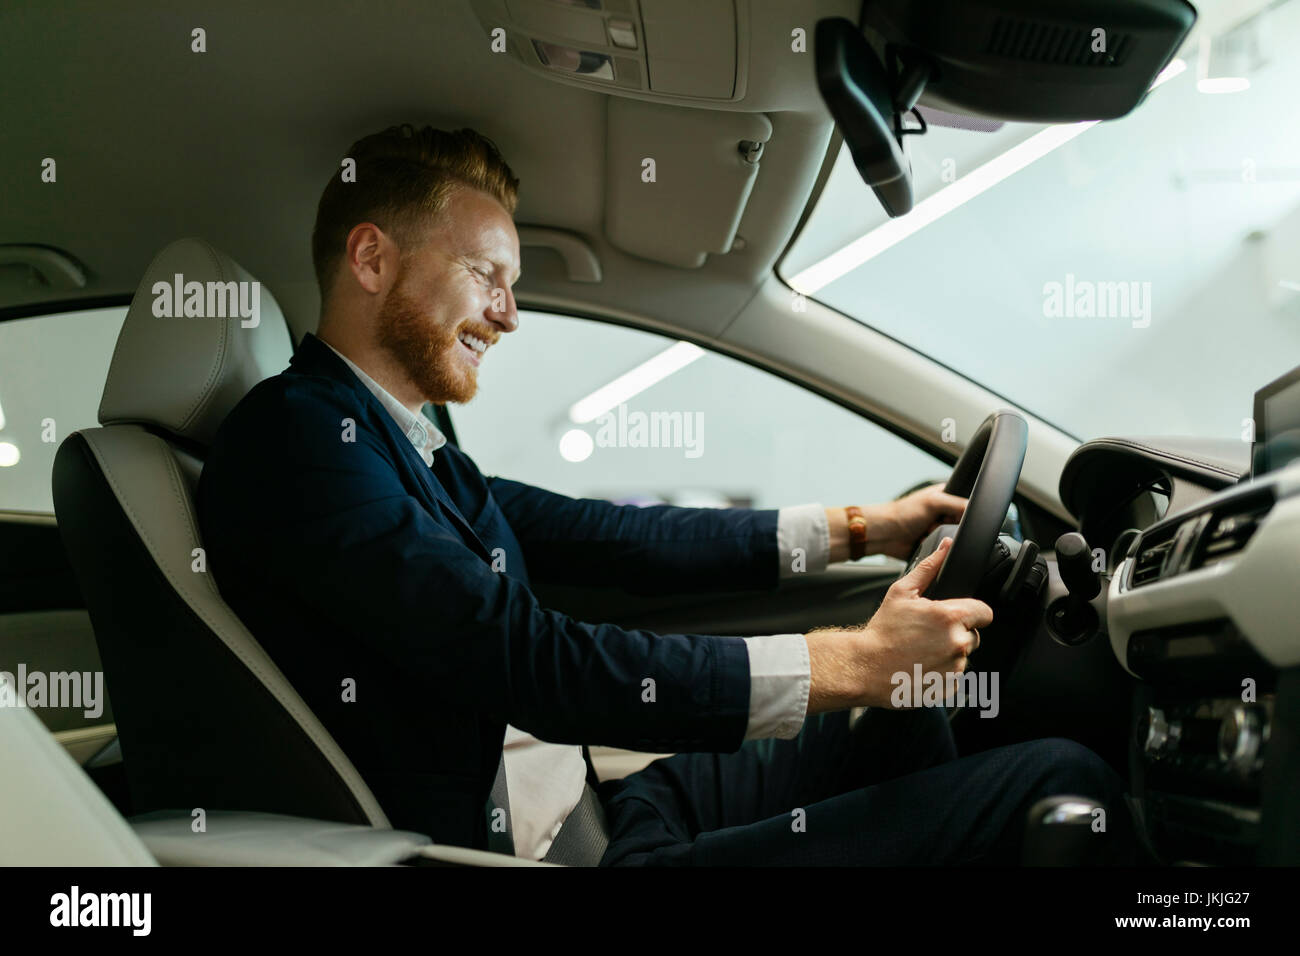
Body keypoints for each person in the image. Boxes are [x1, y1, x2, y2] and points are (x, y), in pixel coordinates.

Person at [196, 123, 1133, 866]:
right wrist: (849, 662)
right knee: (1057, 777)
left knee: (911, 723)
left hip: (606, 804)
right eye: (488, 276)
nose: (510, 314)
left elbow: (613, 539)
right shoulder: (301, 440)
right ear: (371, 258)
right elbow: (521, 658)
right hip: (551, 857)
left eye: (512, 287)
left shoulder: (406, 442)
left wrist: (864, 529)